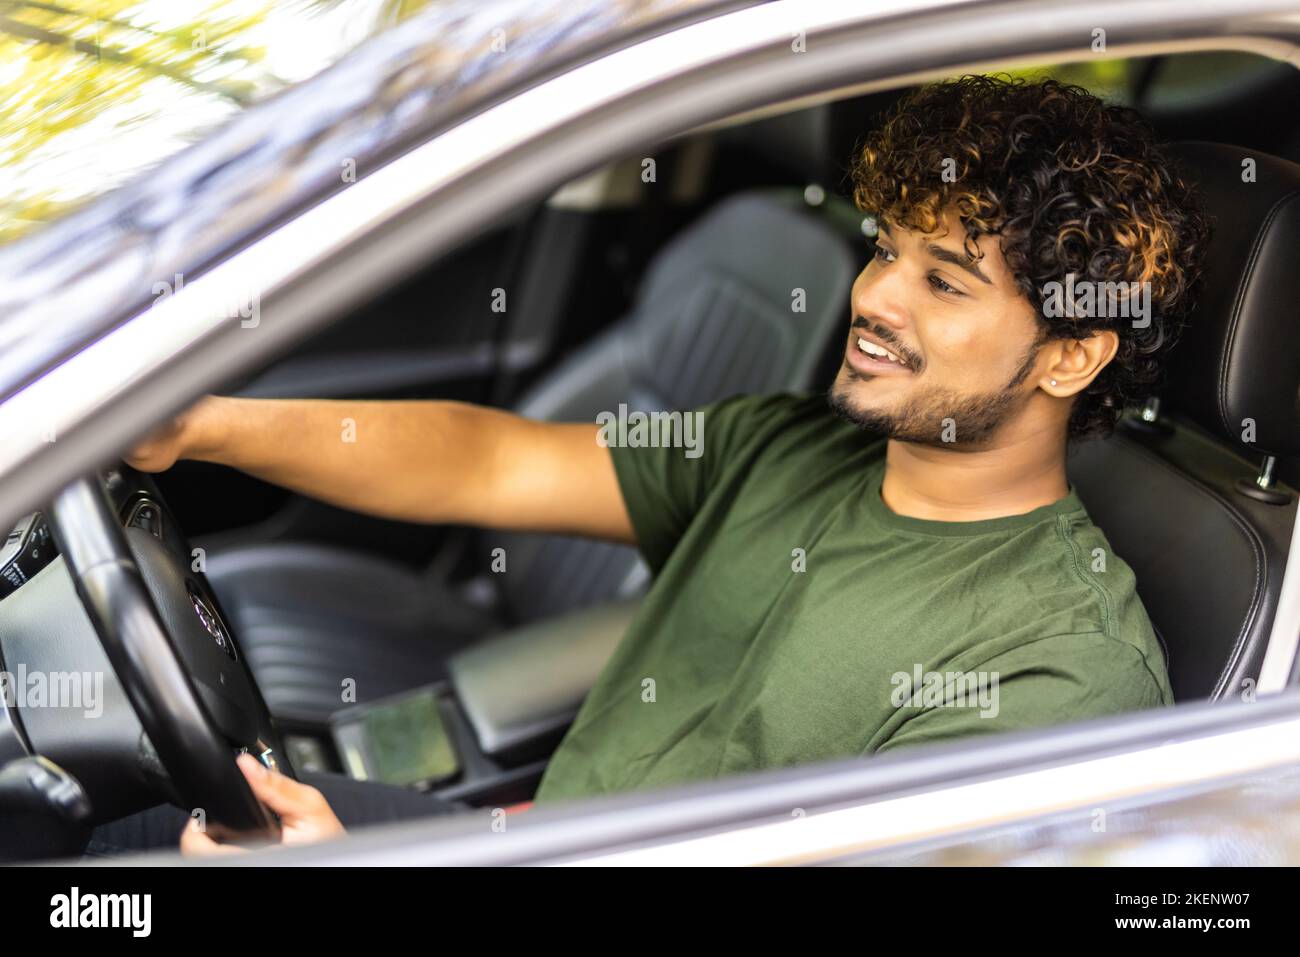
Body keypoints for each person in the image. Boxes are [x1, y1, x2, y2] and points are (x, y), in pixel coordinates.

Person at [96, 73, 1210, 855]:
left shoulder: (1057, 677)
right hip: (535, 836)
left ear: (1070, 354)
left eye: (945, 281)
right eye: (885, 250)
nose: (871, 296)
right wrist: (201, 426)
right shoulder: (791, 444)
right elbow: (491, 464)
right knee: (126, 826)